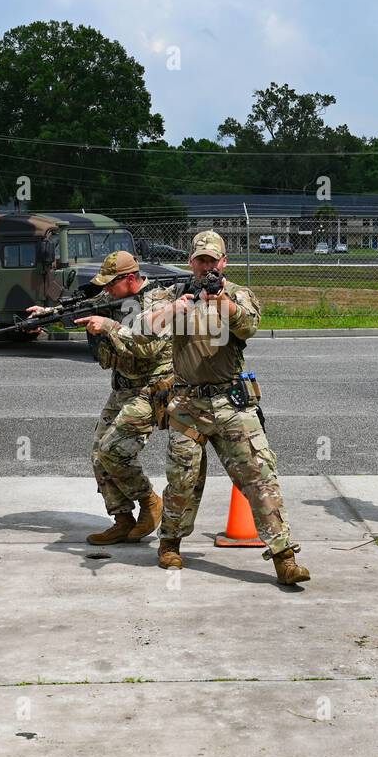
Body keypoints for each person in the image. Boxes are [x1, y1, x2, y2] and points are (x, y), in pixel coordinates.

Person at [119, 230, 309, 585]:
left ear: (223, 262)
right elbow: (139, 329)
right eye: (200, 259)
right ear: (191, 262)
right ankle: (170, 543)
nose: (206, 266)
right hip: (188, 403)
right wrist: (173, 310)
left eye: (212, 260)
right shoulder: (174, 293)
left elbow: (250, 325)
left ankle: (284, 556)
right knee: (182, 478)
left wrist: (223, 302)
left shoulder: (236, 294)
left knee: (259, 474)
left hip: (231, 401)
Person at [60, 250, 173, 545]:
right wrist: (44, 315)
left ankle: (150, 501)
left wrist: (107, 325)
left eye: (111, 284)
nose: (106, 290)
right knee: (98, 453)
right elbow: (83, 308)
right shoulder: (116, 298)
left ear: (131, 278)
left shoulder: (159, 302)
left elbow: (146, 345)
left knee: (113, 450)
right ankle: (122, 519)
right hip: (123, 388)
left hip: (150, 390)